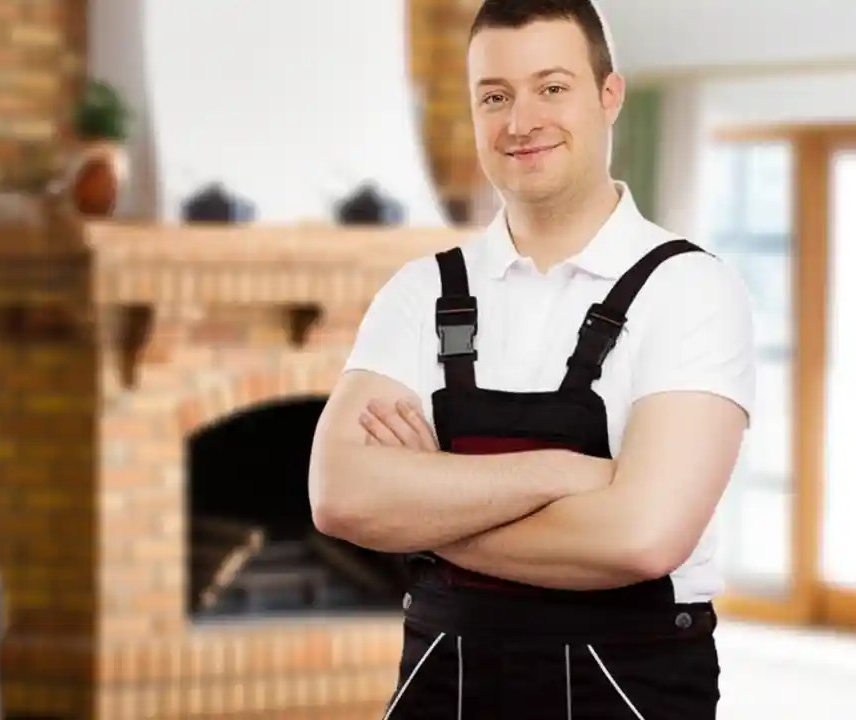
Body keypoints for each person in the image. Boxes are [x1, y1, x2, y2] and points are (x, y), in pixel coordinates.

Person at [308, 0, 755, 716]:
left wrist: (428, 505)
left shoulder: (690, 289)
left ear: (609, 97)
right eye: (495, 96)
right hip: (439, 681)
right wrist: (562, 475)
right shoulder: (419, 293)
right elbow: (339, 496)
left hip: (627, 687)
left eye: (552, 87)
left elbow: (642, 537)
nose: (521, 122)